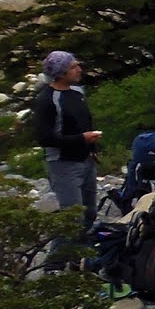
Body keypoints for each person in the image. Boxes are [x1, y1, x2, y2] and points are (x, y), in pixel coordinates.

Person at [31, 50, 100, 228]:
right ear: (61, 73)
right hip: (63, 164)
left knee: (90, 212)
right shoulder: (47, 100)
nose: (79, 69)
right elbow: (45, 138)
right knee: (72, 217)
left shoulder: (77, 92)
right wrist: (81, 139)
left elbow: (85, 121)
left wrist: (92, 149)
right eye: (73, 67)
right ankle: (60, 255)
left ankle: (87, 251)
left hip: (87, 160)